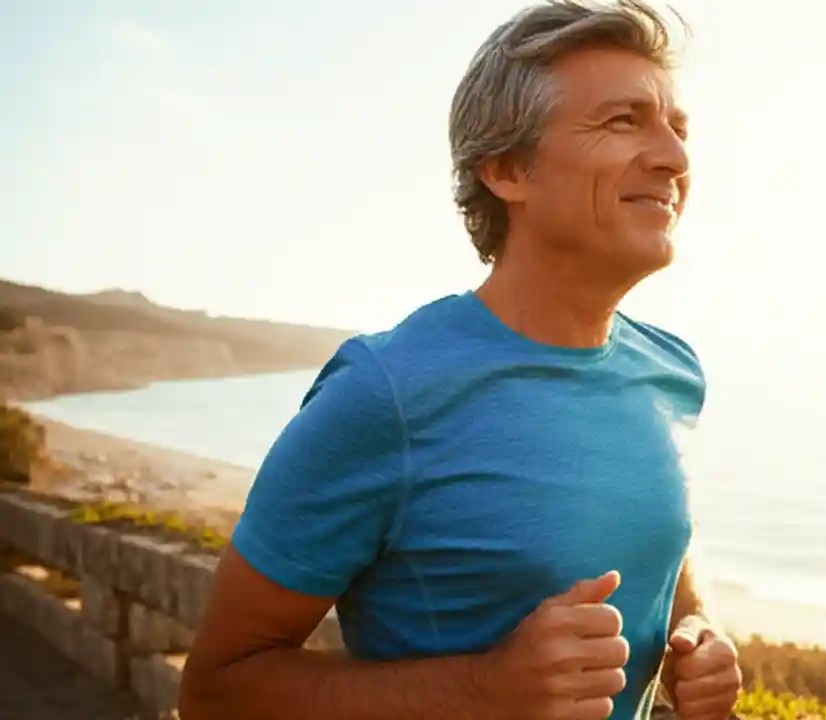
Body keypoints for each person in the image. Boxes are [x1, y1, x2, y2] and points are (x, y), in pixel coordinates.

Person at [177, 1, 742, 718]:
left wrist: (700, 627)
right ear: (507, 170)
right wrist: (483, 690)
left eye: (677, 129)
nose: (674, 159)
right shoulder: (385, 392)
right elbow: (215, 689)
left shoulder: (671, 372)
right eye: (624, 121)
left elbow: (657, 538)